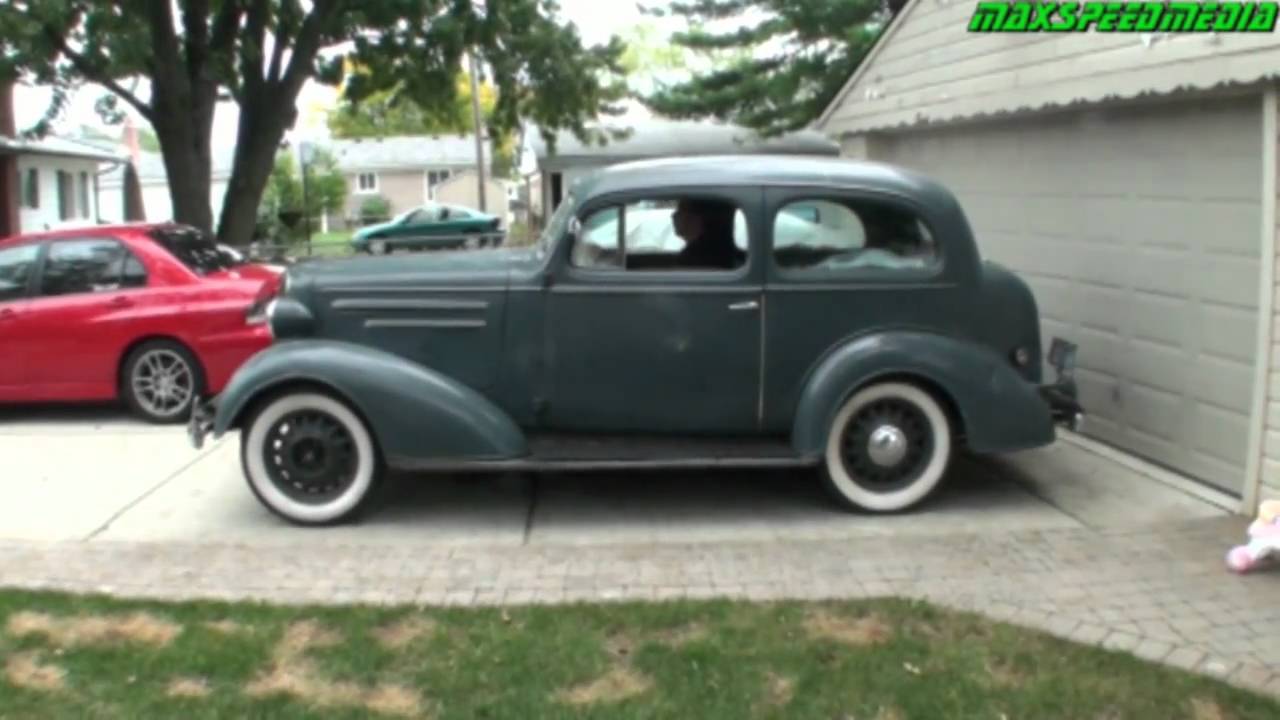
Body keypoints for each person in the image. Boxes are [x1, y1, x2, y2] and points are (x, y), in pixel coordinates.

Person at [672, 198, 741, 270]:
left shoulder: (691, 261)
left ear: (697, 218)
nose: (673, 215)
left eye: (681, 210)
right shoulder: (734, 256)